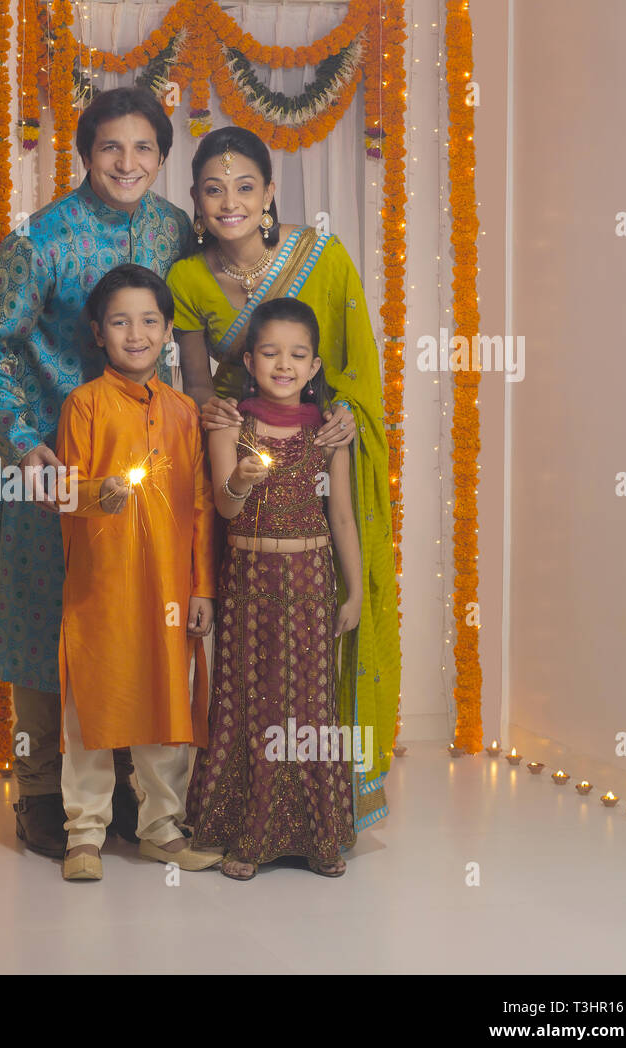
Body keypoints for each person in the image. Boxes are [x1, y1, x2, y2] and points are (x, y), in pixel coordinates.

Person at [0, 88, 195, 858]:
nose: (127, 164)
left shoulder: (172, 229)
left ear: (162, 158)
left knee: (132, 617)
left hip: (144, 466)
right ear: (84, 153)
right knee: (46, 626)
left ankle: (126, 791)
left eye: (144, 151)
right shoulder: (40, 238)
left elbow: (193, 326)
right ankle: (37, 792)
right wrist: (28, 445)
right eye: (109, 148)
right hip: (52, 469)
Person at [167, 126, 399, 833]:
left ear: (269, 193)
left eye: (244, 187)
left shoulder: (323, 258)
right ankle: (245, 802)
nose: (229, 201)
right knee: (247, 669)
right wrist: (228, 446)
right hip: (241, 459)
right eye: (213, 189)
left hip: (316, 450)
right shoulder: (186, 278)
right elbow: (205, 388)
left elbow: (356, 366)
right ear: (197, 202)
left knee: (306, 672)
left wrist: (347, 420)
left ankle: (316, 807)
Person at [54, 264, 219, 881]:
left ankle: (161, 829)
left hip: (170, 589)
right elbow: (62, 492)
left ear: (169, 330)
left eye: (150, 320)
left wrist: (202, 587)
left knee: (166, 708)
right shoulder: (85, 405)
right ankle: (84, 836)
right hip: (102, 588)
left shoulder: (183, 414)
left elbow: (201, 506)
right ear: (98, 332)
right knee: (91, 709)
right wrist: (101, 493)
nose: (136, 333)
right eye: (120, 321)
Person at [185, 297, 360, 880]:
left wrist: (354, 593)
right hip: (249, 579)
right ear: (250, 358)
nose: (283, 364)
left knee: (310, 703)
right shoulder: (230, 422)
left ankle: (318, 836)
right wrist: (238, 478)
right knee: (248, 701)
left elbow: (341, 517)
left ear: (313, 367)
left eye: (297, 355)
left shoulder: (332, 431)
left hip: (311, 579)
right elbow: (225, 509)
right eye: (270, 353)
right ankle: (246, 832)